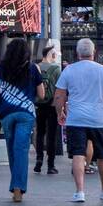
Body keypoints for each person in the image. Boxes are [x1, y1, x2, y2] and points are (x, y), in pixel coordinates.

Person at [54, 37, 103, 203]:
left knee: (78, 154)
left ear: (77, 53)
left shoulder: (68, 70)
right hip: (98, 119)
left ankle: (79, 192)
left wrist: (60, 112)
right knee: (102, 155)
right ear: (94, 52)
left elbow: (59, 95)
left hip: (76, 119)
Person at [0, 39, 43, 203]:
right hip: (26, 114)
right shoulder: (33, 68)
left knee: (12, 151)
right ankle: (18, 188)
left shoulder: (3, 68)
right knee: (21, 151)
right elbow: (41, 94)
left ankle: (16, 188)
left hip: (7, 114)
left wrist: (2, 90)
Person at [34, 43, 61, 174]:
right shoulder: (56, 69)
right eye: (55, 54)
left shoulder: (36, 67)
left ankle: (39, 160)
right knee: (51, 135)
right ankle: (51, 164)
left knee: (40, 133)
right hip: (52, 105)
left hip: (38, 104)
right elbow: (59, 90)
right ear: (51, 54)